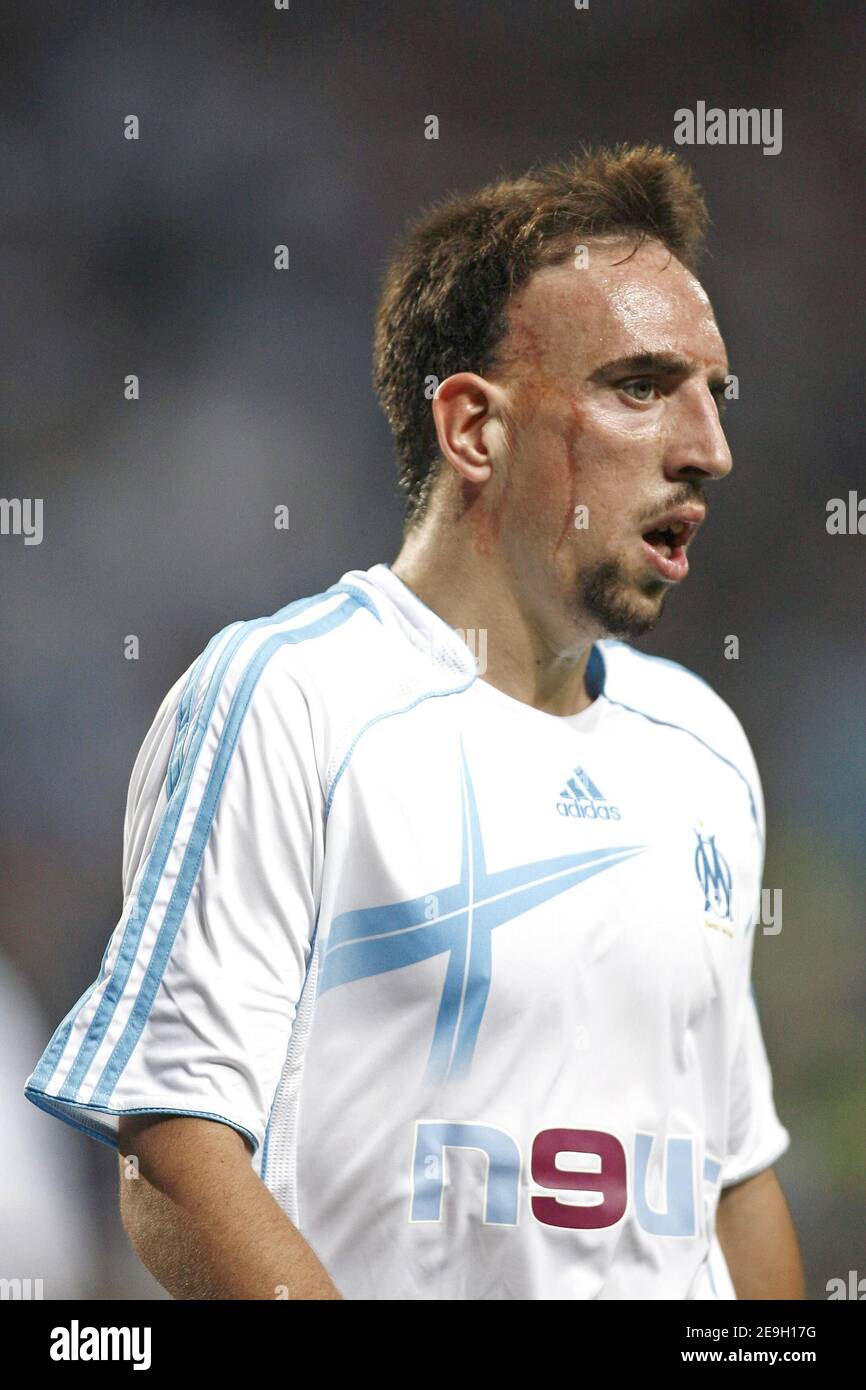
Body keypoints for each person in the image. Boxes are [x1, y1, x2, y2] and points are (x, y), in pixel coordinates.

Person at [25, 144, 804, 1300]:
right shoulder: (291, 697)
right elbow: (175, 1150)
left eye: (711, 393)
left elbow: (729, 1177)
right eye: (640, 386)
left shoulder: (701, 748)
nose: (707, 447)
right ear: (473, 428)